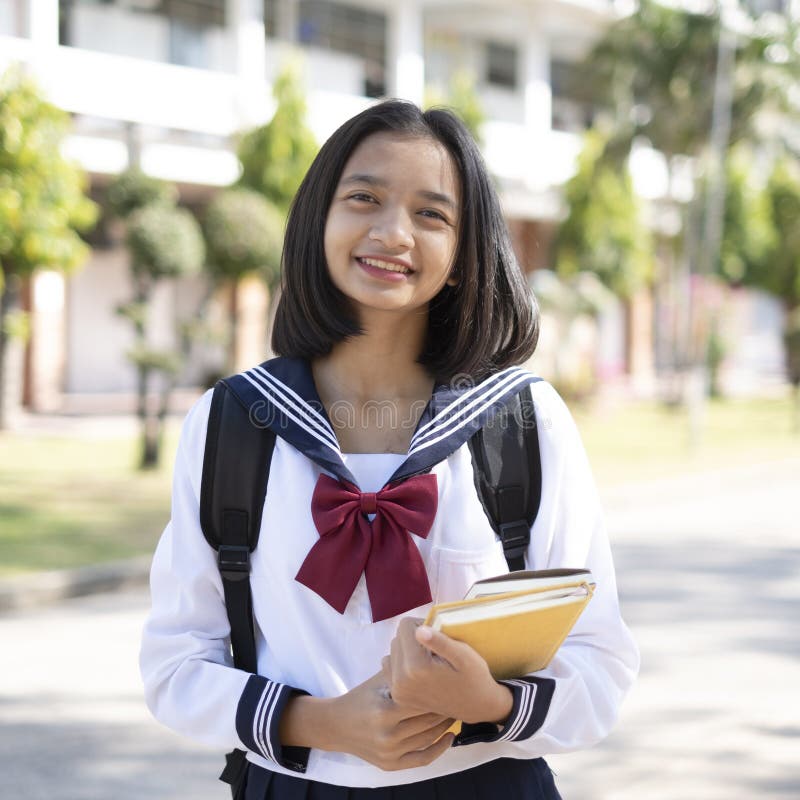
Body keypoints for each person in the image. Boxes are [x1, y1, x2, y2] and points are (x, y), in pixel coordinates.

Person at [140, 99, 639, 800]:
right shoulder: (233, 422)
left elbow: (601, 664)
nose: (392, 231)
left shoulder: (522, 421)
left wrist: (490, 706)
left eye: (431, 214)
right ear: (319, 220)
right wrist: (325, 723)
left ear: (466, 257)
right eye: (364, 198)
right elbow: (175, 664)